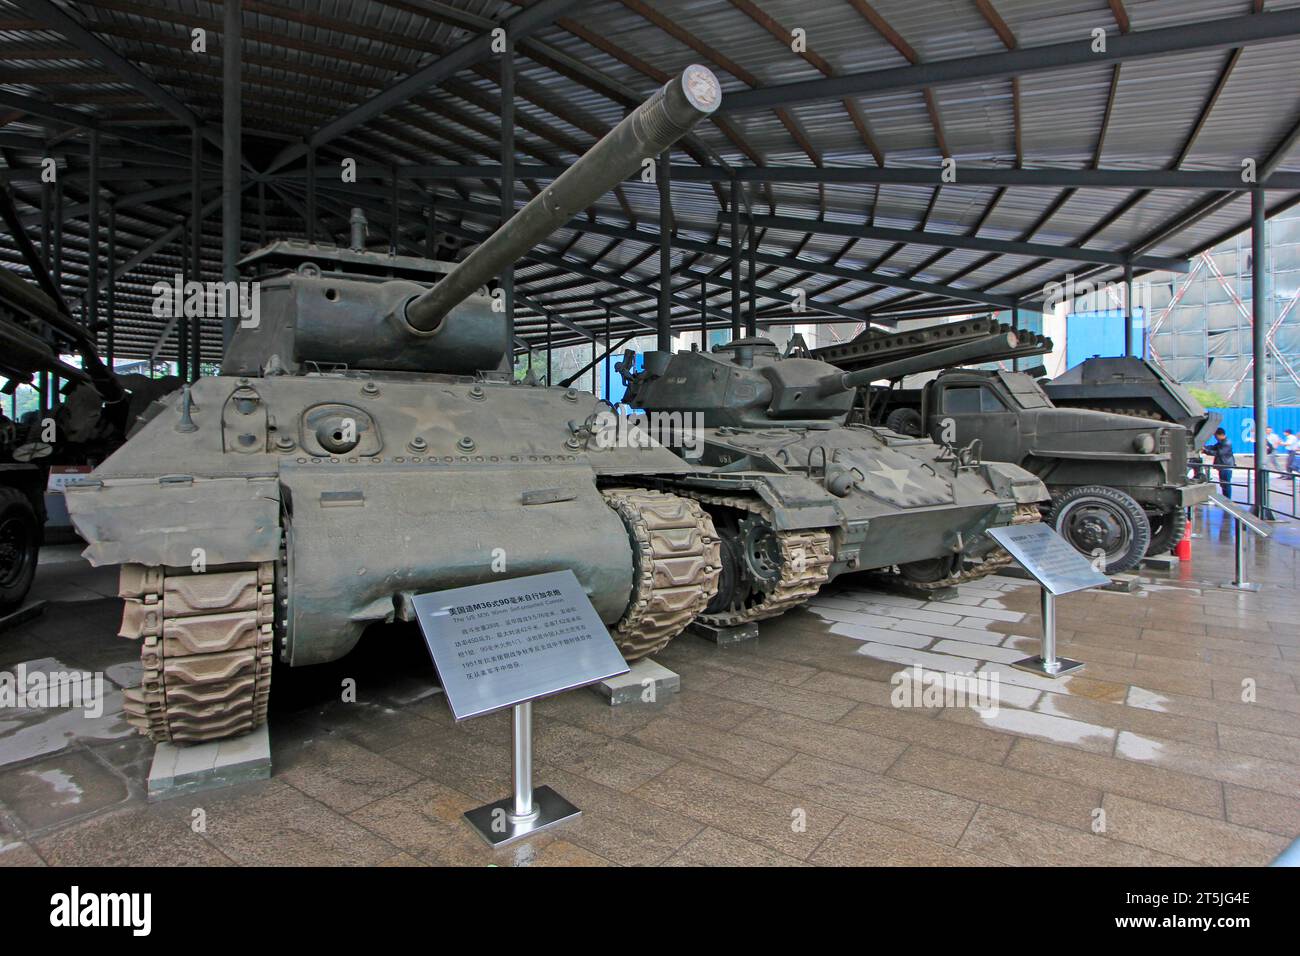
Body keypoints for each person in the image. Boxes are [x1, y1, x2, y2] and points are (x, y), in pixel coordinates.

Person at [1203, 427, 1234, 498]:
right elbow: (1213, 447)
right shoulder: (1222, 442)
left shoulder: (1226, 443)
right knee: (1223, 484)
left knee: (1226, 485)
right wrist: (1205, 447)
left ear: (1220, 435)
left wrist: (1205, 451)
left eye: (1215, 436)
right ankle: (1225, 499)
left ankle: (1228, 500)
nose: (1215, 438)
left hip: (1226, 466)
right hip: (1222, 466)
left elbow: (1218, 453)